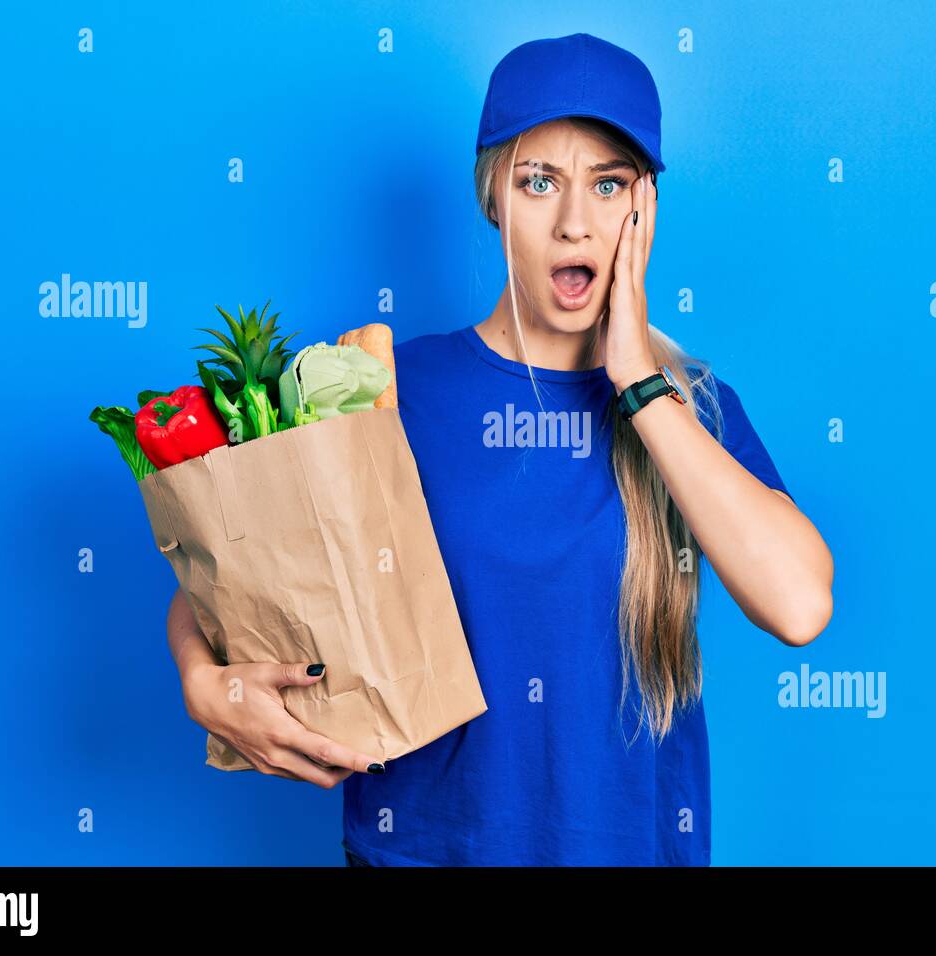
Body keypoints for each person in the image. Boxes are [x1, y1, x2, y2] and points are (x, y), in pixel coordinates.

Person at [166, 32, 834, 867]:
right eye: (539, 182)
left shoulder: (689, 410)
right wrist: (207, 684)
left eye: (608, 184)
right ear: (494, 198)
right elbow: (230, 583)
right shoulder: (388, 391)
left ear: (644, 211)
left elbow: (800, 605)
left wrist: (636, 380)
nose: (573, 223)